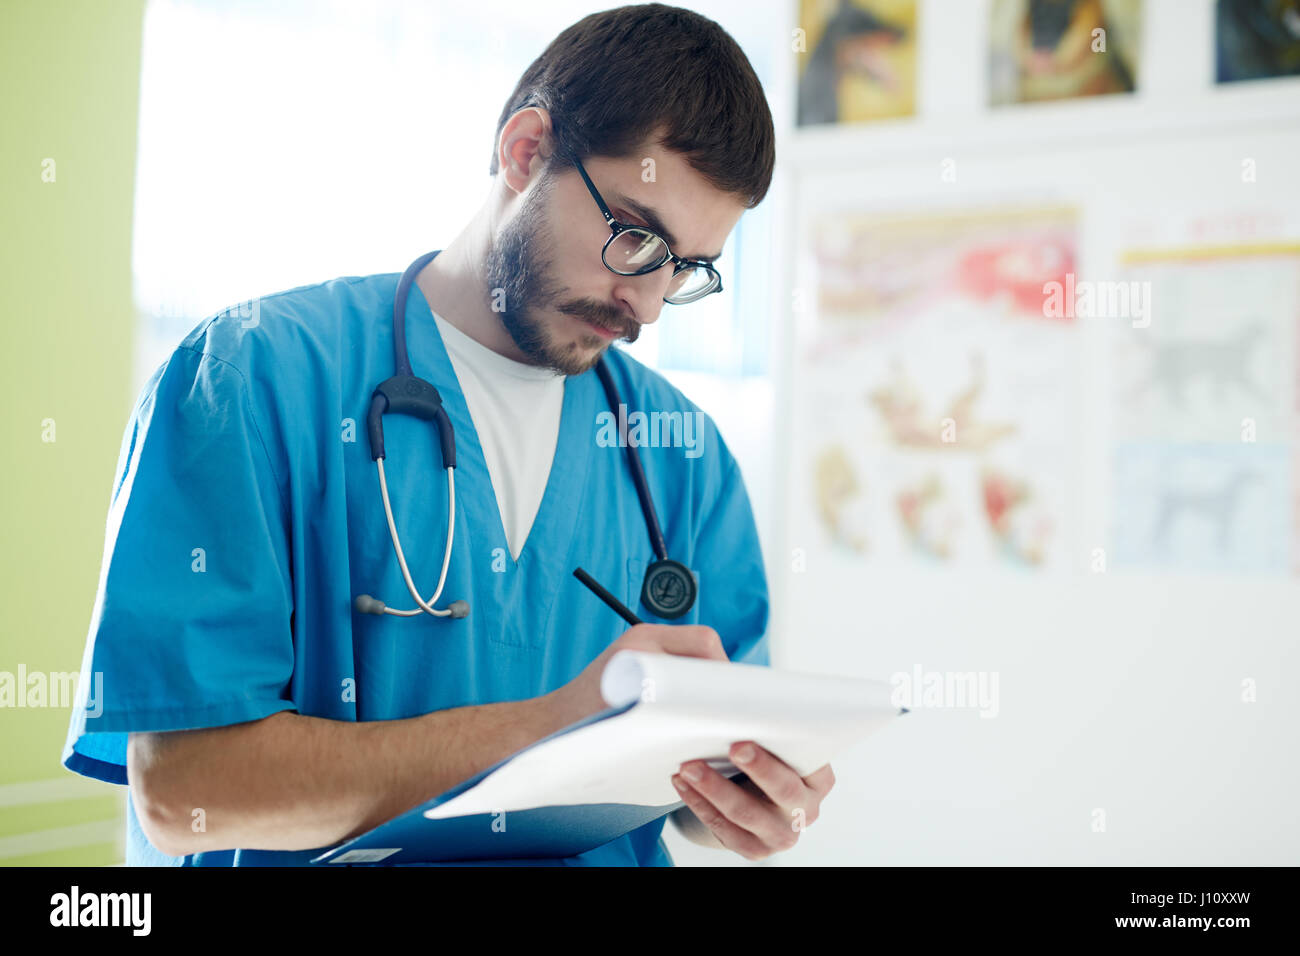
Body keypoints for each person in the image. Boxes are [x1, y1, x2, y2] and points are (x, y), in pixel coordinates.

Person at [62, 2, 834, 866]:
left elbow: (705, 765)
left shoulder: (679, 454)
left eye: (687, 269)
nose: (648, 303)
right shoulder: (257, 376)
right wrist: (551, 727)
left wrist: (743, 801)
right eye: (636, 237)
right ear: (526, 151)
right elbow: (185, 792)